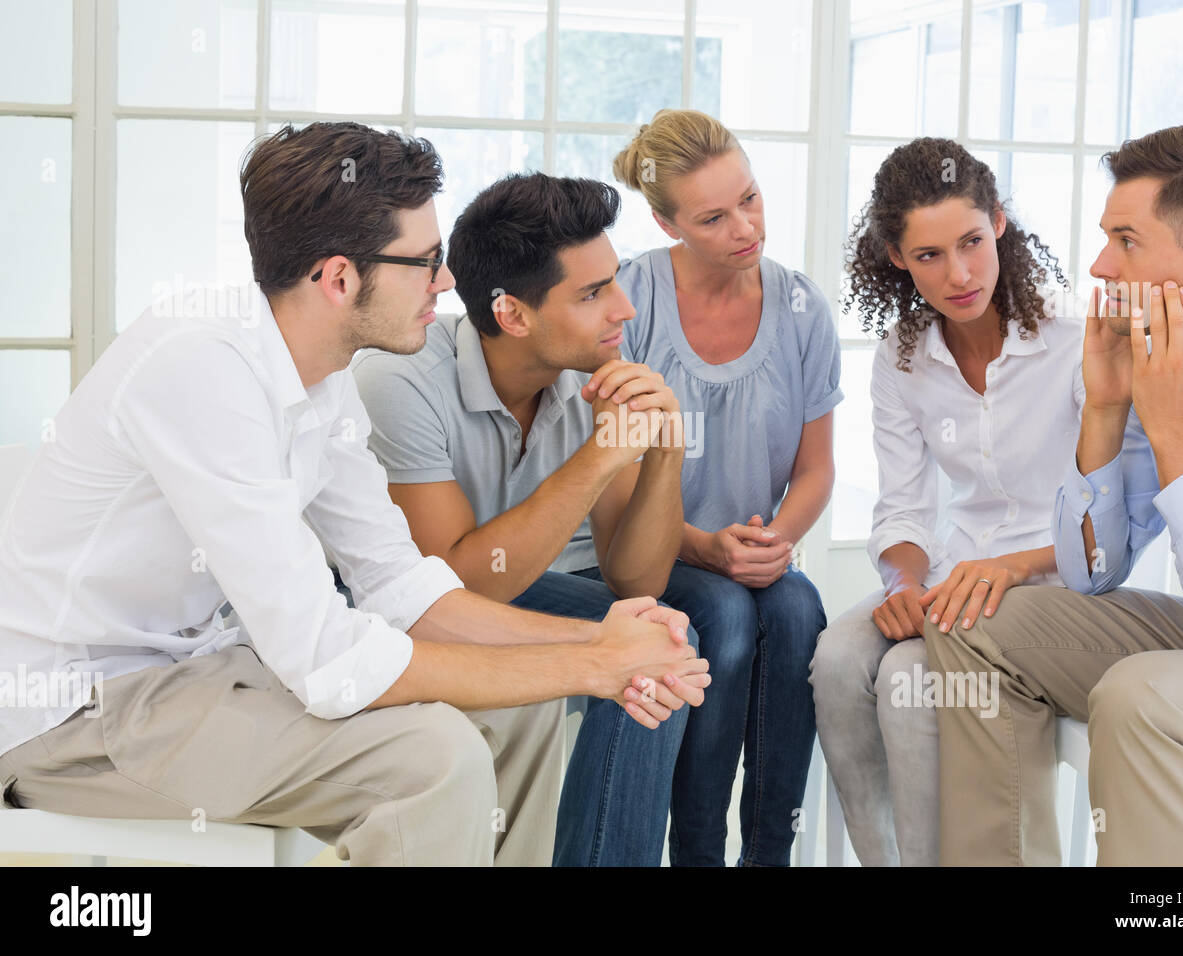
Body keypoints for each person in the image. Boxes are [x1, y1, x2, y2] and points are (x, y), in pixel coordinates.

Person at [0, 122, 707, 867]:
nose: (445, 283)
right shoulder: (201, 368)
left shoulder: (323, 374)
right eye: (427, 263)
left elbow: (401, 587)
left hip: (207, 672)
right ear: (339, 278)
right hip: (81, 715)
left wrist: (600, 640)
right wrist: (592, 666)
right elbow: (322, 657)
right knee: (434, 760)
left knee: (521, 711)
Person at [925, 123, 1183, 865]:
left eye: (1126, 240)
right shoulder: (1167, 352)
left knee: (1143, 696)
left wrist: (1172, 432)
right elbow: (1094, 571)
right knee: (974, 625)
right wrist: (1105, 411)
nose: (1099, 265)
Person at [353, 171, 707, 867]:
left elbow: (635, 576)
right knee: (627, 646)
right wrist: (599, 455)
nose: (625, 310)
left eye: (615, 281)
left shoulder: (589, 370)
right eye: (593, 293)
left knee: (659, 637)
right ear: (513, 315)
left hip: (506, 582)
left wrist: (665, 451)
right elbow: (451, 589)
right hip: (392, 603)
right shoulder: (400, 378)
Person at [808, 138, 1078, 865]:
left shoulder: (1073, 336)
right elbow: (903, 507)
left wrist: (1013, 568)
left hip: (1055, 576)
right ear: (896, 258)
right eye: (929, 255)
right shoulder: (902, 355)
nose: (959, 274)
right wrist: (901, 582)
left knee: (904, 677)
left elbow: (1114, 517)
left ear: (999, 222)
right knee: (835, 657)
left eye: (972, 242)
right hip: (953, 574)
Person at [611, 108, 842, 866]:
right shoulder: (630, 300)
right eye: (713, 217)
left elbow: (816, 469)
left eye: (750, 198)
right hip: (654, 553)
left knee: (801, 608)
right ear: (666, 222)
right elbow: (608, 486)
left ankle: (769, 852)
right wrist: (703, 547)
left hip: (750, 553)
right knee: (724, 618)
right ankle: (699, 853)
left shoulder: (802, 309)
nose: (746, 227)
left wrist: (778, 540)